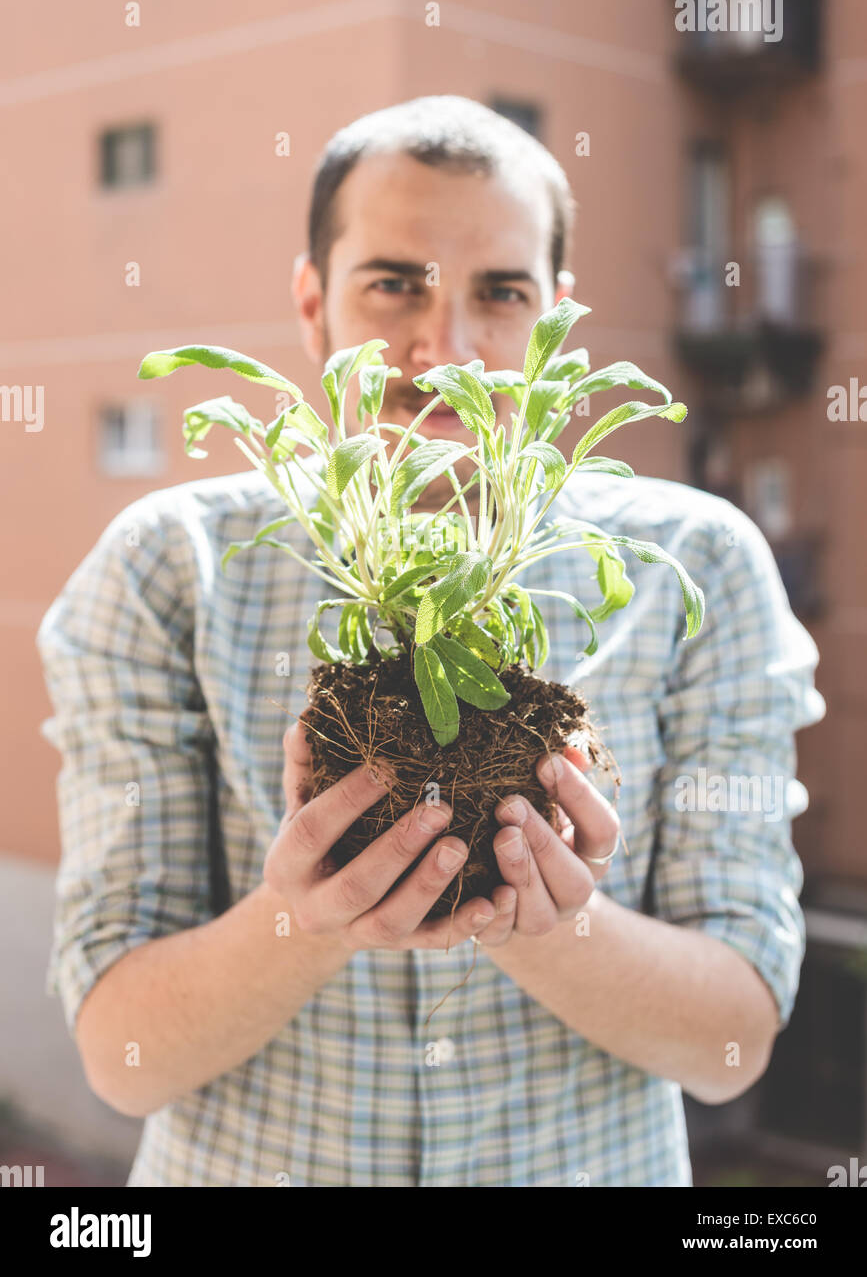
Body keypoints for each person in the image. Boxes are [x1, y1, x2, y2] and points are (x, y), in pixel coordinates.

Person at [37, 95, 824, 1187]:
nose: (442, 345)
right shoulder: (166, 565)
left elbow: (733, 1044)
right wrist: (299, 924)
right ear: (313, 305)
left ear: (556, 320)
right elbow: (120, 1056)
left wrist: (553, 927)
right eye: (393, 282)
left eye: (501, 292)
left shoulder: (699, 564)